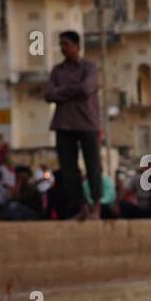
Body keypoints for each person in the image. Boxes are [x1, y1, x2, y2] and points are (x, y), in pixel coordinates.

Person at [45, 30, 102, 222]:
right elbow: (49, 95)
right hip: (63, 124)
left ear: (77, 46)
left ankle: (96, 207)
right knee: (69, 171)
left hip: (87, 123)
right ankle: (81, 207)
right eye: (61, 44)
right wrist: (73, 90)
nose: (63, 48)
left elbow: (87, 89)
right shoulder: (56, 70)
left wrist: (63, 91)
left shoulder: (89, 68)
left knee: (93, 166)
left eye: (66, 44)